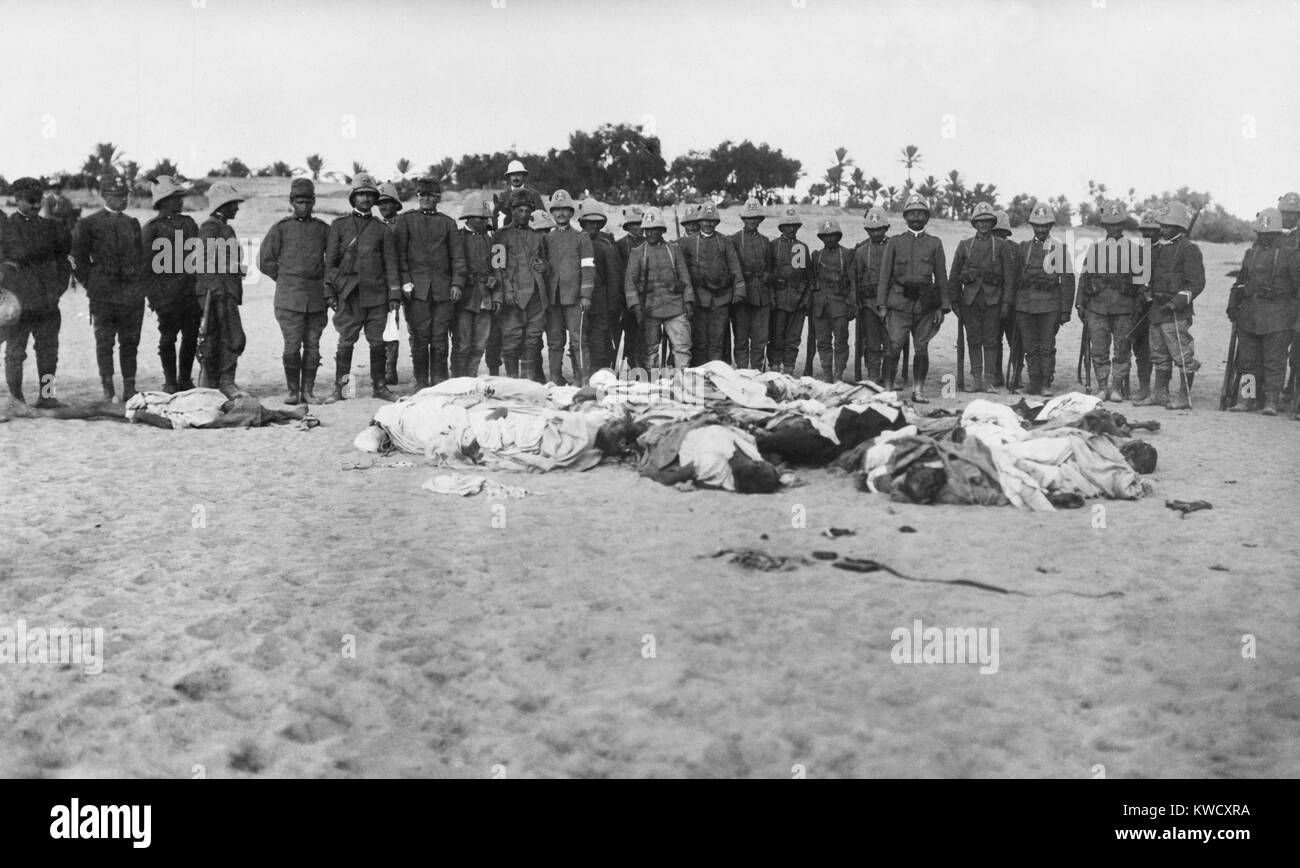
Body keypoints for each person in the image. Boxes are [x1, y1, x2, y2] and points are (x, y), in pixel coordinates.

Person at [324, 173, 402, 402]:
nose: (366, 199)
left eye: (370, 195)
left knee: (377, 341)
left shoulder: (382, 229)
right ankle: (342, 388)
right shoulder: (339, 226)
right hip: (349, 294)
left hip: (376, 294)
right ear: (353, 198)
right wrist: (329, 292)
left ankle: (379, 387)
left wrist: (394, 294)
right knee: (346, 341)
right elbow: (330, 264)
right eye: (361, 195)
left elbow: (391, 264)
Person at [73, 174, 145, 401]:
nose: (122, 200)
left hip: (131, 296)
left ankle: (129, 387)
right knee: (104, 343)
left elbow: (141, 257)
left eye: (124, 195)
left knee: (130, 343)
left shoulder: (132, 223)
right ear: (105, 196)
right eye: (116, 196)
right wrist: (91, 283)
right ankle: (108, 389)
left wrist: (138, 286)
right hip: (103, 295)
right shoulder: (88, 224)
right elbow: (77, 259)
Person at [258, 177, 329, 404]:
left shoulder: (322, 229)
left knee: (313, 346)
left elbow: (334, 259)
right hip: (289, 299)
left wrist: (326, 280)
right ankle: (292, 391)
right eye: (299, 201)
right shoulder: (281, 229)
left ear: (314, 202)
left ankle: (308, 391)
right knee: (291, 345)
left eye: (308, 202)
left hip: (316, 297)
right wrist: (284, 279)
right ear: (291, 202)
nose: (304, 206)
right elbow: (264, 260)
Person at [2, 177, 71, 407]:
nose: (35, 205)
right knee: (15, 353)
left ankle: (47, 395)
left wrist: (58, 289)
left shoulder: (51, 228)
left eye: (38, 201)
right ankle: (16, 397)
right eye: (30, 201)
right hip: (19, 304)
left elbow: (63, 262)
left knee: (49, 353)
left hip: (47, 302)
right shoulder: (6, 228)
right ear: (17, 199)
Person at [393, 175, 465, 388]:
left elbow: (457, 258)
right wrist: (405, 281)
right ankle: (421, 382)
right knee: (420, 337)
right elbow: (400, 256)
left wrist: (457, 284)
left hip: (443, 291)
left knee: (440, 337)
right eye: (422, 195)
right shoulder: (406, 220)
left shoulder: (448, 223)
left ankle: (439, 381)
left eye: (431, 195)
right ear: (418, 196)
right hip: (416, 291)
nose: (426, 199)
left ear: (438, 198)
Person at [1226, 207, 1299, 416]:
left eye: (1268, 235)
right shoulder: (1251, 254)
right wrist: (1233, 304)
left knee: (1274, 361)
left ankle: (1271, 402)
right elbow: (1240, 282)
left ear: (1277, 234)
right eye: (1261, 234)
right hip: (1249, 315)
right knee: (1248, 361)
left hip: (1279, 317)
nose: (1264, 238)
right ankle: (1247, 399)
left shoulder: (1291, 256)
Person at [876, 194, 949, 402]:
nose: (916, 217)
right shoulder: (895, 243)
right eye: (912, 213)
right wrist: (882, 305)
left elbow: (941, 277)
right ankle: (888, 391)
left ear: (927, 217)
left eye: (920, 213)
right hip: (898, 304)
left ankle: (918, 391)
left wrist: (941, 308)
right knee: (893, 347)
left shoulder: (935, 243)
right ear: (905, 217)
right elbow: (885, 275)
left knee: (921, 348)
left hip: (925, 305)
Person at [1134, 199, 1204, 410]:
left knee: (1182, 355)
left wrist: (1176, 302)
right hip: (1156, 310)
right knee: (1158, 355)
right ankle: (1159, 394)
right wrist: (1147, 292)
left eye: (1166, 226)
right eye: (1162, 225)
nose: (1162, 229)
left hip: (1175, 313)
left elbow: (1196, 283)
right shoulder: (1162, 249)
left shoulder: (1190, 250)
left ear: (1178, 227)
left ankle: (1183, 397)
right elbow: (1152, 278)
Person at [1075, 201, 1142, 402]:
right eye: (1110, 225)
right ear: (1105, 226)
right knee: (1099, 349)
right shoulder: (1094, 249)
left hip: (1124, 308)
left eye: (1118, 224)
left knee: (1122, 350)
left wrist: (1137, 306)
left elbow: (1141, 284)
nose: (1114, 228)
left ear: (1123, 225)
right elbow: (1084, 279)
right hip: (1097, 307)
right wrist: (1080, 303)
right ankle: (1103, 386)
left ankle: (1117, 388)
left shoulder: (1135, 250)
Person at [141, 175, 201, 392]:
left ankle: (185, 379)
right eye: (176, 197)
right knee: (167, 338)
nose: (181, 201)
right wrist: (155, 296)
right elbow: (145, 266)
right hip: (166, 296)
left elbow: (198, 255)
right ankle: (170, 381)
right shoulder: (152, 228)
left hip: (190, 293)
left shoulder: (189, 223)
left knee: (191, 337)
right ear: (165, 200)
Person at [949, 201, 1014, 392]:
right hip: (970, 301)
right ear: (974, 224)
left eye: (987, 221)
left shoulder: (1002, 246)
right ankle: (976, 379)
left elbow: (1009, 278)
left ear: (992, 223)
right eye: (980, 221)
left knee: (991, 340)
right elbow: (953, 276)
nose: (984, 225)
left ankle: (989, 381)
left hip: (993, 301)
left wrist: (1006, 303)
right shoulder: (965, 245)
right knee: (973, 340)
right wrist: (954, 302)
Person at [1014, 202, 1074, 397]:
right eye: (1037, 225)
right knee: (1029, 346)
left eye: (1044, 225)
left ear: (1050, 226)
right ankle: (1034, 381)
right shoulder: (1023, 248)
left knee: (1047, 345)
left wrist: (1065, 310)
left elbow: (1067, 279)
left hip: (1050, 305)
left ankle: (1046, 381)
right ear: (1032, 226)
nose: (1041, 229)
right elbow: (1015, 277)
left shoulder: (1059, 248)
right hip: (1025, 305)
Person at [195, 181, 249, 398]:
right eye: (233, 204)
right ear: (222, 205)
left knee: (228, 335)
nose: (236, 208)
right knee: (221, 337)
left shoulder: (225, 227)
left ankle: (223, 381)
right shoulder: (210, 227)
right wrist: (217, 290)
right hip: (216, 292)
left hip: (225, 290)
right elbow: (204, 262)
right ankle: (221, 383)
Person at [624, 208, 693, 370]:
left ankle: (682, 381)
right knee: (650, 349)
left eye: (654, 229)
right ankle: (652, 383)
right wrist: (636, 307)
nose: (650, 233)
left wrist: (688, 301)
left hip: (675, 306)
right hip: (649, 308)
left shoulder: (673, 250)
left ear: (662, 230)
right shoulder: (637, 252)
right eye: (647, 229)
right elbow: (629, 283)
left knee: (682, 346)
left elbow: (685, 277)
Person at [540, 190, 594, 385]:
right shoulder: (546, 238)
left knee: (579, 340)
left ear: (571, 213)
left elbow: (588, 267)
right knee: (555, 342)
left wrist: (586, 295)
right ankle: (555, 377)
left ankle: (583, 378)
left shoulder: (581, 237)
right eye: (557, 210)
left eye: (565, 210)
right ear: (552, 213)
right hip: (553, 299)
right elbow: (543, 266)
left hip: (575, 298)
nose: (561, 214)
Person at [494, 192, 549, 380]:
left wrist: (545, 266)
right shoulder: (500, 235)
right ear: (512, 211)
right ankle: (512, 382)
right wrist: (507, 291)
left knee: (532, 341)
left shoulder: (538, 237)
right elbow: (497, 267)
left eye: (527, 211)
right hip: (513, 298)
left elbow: (545, 262)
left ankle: (527, 382)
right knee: (511, 341)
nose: (524, 214)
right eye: (520, 210)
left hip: (536, 297)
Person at [682, 202, 745, 365]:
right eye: (705, 221)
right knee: (700, 340)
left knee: (717, 340)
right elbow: (680, 269)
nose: (708, 224)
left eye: (712, 221)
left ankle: (716, 373)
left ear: (716, 223)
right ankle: (701, 374)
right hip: (699, 298)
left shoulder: (725, 241)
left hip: (721, 299)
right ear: (699, 222)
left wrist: (738, 291)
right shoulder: (688, 242)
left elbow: (735, 267)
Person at [454, 195, 501, 378]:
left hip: (486, 299)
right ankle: (458, 380)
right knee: (462, 344)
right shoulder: (457, 237)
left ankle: (471, 377)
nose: (484, 221)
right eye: (480, 218)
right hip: (465, 299)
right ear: (469, 218)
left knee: (480, 344)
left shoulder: (492, 240)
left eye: (486, 218)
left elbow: (499, 268)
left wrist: (495, 287)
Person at [576, 198, 625, 373]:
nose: (594, 226)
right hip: (577, 302)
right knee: (579, 341)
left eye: (597, 223)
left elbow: (614, 279)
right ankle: (582, 373)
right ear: (582, 222)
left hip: (600, 304)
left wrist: (613, 306)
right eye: (590, 222)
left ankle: (599, 375)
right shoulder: (575, 241)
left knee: (599, 342)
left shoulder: (606, 246)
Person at [808, 219, 855, 382]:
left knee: (841, 342)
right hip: (820, 306)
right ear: (821, 238)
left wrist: (851, 305)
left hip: (840, 305)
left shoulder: (847, 255)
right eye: (825, 236)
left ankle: (839, 372)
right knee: (822, 341)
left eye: (832, 235)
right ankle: (827, 372)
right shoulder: (816, 255)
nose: (829, 239)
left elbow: (852, 283)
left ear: (838, 236)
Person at [729, 198, 773, 370]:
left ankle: (756, 370)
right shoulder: (734, 239)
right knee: (740, 337)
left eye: (756, 218)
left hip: (762, 296)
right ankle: (741, 370)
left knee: (760, 337)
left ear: (760, 220)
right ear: (743, 219)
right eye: (749, 218)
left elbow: (770, 267)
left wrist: (768, 275)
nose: (752, 221)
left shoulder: (765, 241)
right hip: (742, 296)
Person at [769, 208, 810, 376]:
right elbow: (767, 271)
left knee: (793, 338)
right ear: (781, 228)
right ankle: (774, 367)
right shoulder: (773, 246)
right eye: (788, 226)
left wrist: (802, 295)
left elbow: (805, 275)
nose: (791, 229)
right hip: (778, 299)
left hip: (796, 300)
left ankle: (789, 368)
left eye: (794, 226)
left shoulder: (801, 248)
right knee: (776, 336)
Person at [851, 207, 891, 383]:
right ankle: (874, 375)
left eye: (880, 229)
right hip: (868, 304)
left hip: (891, 304)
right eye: (872, 230)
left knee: (891, 342)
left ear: (886, 228)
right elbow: (855, 280)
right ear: (867, 230)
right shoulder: (861, 252)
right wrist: (857, 302)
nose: (876, 233)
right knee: (873, 342)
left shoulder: (894, 247)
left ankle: (889, 375)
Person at [1128, 208, 1162, 401]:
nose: (1148, 234)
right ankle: (1144, 387)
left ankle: (1159, 390)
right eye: (1145, 230)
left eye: (1153, 230)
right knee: (1141, 350)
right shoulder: (1136, 253)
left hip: (1159, 308)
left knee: (1159, 351)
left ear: (1161, 231)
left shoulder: (1166, 253)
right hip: (1139, 309)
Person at [376, 181, 405, 385]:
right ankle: (387, 370)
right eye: (380, 203)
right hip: (383, 284)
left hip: (406, 281)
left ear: (396, 204)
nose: (383, 206)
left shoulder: (405, 224)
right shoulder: (375, 227)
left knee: (414, 329)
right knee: (387, 326)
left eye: (387, 202)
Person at [990, 209, 1019, 389]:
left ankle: (1016, 373)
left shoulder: (1016, 248)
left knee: (1014, 340)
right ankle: (996, 374)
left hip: (1013, 303)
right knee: (994, 340)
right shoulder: (986, 247)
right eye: (996, 233)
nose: (999, 237)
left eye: (1002, 234)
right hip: (992, 302)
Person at [614, 206, 646, 368]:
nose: (638, 227)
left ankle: (642, 365)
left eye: (641, 223)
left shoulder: (650, 243)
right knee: (630, 333)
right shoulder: (620, 245)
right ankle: (631, 364)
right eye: (634, 224)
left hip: (646, 297)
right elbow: (618, 272)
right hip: (626, 298)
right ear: (628, 226)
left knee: (645, 334)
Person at [492, 159, 545, 230]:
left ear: (524, 176)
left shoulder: (534, 194)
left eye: (518, 174)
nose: (516, 177)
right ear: (509, 177)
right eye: (513, 175)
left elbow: (542, 216)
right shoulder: (503, 196)